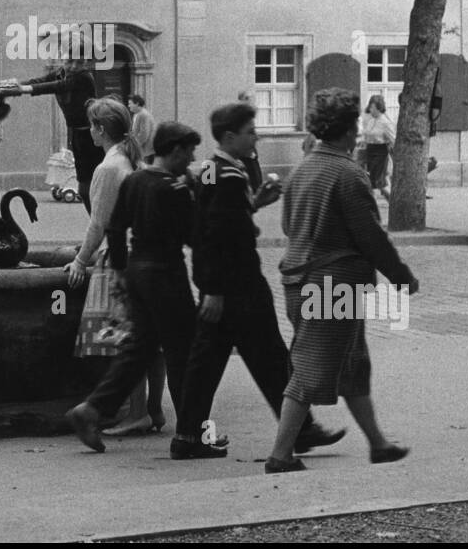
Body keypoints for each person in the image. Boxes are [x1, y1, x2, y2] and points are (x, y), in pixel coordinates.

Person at [172, 101, 346, 461]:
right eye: (251, 132)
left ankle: (189, 436)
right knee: (271, 358)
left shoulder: (210, 169)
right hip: (240, 287)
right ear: (231, 136)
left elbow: (208, 223)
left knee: (207, 363)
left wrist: (254, 203)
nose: (257, 138)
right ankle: (300, 429)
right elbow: (220, 235)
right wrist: (217, 290)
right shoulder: (231, 178)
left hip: (222, 286)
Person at [265, 88, 420, 473]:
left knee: (353, 366)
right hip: (333, 287)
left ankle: (378, 444)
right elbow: (371, 236)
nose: (359, 133)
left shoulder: (301, 170)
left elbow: (288, 226)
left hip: (300, 280)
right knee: (310, 372)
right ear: (347, 129)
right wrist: (401, 277)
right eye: (354, 125)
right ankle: (280, 455)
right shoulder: (349, 174)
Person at [66, 121, 203, 453]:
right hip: (166, 274)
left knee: (138, 349)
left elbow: (114, 226)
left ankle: (91, 409)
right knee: (183, 353)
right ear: (174, 150)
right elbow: (193, 237)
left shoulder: (135, 180)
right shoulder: (173, 189)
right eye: (189, 151)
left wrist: (120, 271)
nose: (192, 158)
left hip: (137, 270)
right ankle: (190, 434)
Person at [65, 99, 166, 436]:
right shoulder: (130, 159)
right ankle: (153, 409)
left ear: (100, 129)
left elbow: (99, 224)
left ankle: (137, 413)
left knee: (127, 339)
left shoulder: (108, 168)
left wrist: (81, 260)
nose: (88, 132)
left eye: (91, 126)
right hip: (144, 255)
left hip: (120, 259)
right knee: (151, 340)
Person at [25, 42, 100, 211]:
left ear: (86, 63)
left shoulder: (84, 77)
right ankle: (96, 220)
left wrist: (25, 89)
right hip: (77, 134)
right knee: (83, 188)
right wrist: (15, 86)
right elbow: (41, 80)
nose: (73, 66)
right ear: (63, 59)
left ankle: (99, 220)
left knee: (90, 186)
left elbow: (59, 86)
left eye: (79, 62)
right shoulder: (61, 72)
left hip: (91, 136)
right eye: (69, 61)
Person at [358, 93, 394, 201]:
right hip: (370, 152)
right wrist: (362, 142)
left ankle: (394, 203)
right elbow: (367, 135)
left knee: (379, 183)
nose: (370, 109)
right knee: (373, 182)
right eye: (370, 107)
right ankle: (382, 202)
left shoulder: (385, 122)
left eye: (372, 107)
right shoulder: (371, 121)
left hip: (380, 153)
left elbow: (393, 139)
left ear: (379, 108)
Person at [128, 94, 156, 163]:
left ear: (137, 104)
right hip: (143, 151)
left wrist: (135, 147)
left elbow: (144, 134)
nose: (129, 106)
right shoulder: (137, 114)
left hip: (146, 151)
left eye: (130, 104)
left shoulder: (143, 114)